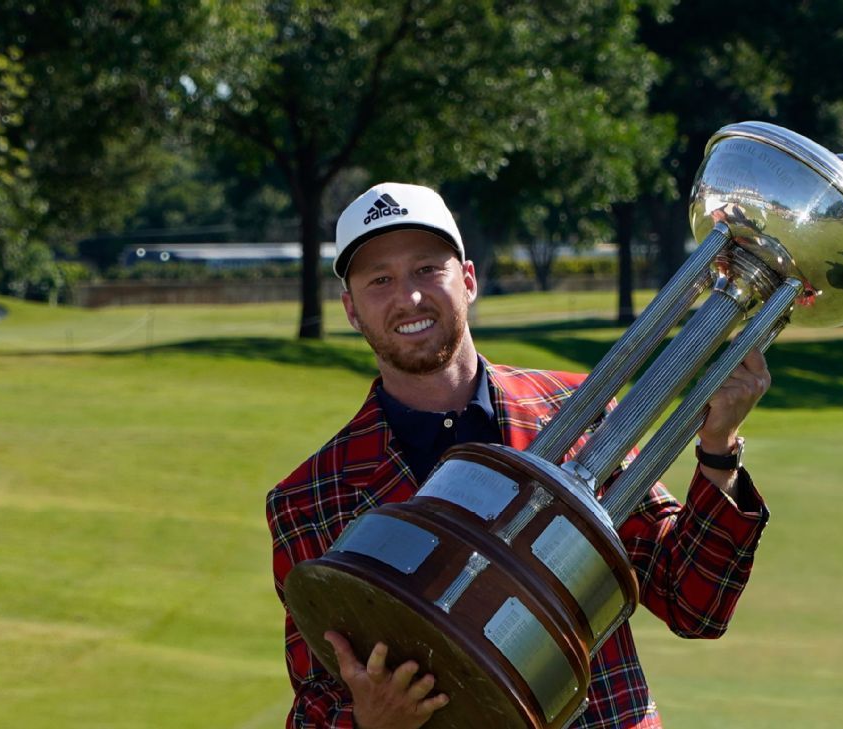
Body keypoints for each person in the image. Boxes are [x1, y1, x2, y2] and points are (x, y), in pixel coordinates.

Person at [267, 182, 773, 729]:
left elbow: (692, 602)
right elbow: (319, 696)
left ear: (467, 280)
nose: (408, 298)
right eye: (380, 280)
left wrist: (718, 449)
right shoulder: (309, 496)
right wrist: (371, 723)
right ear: (350, 307)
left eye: (425, 270)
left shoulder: (574, 407)